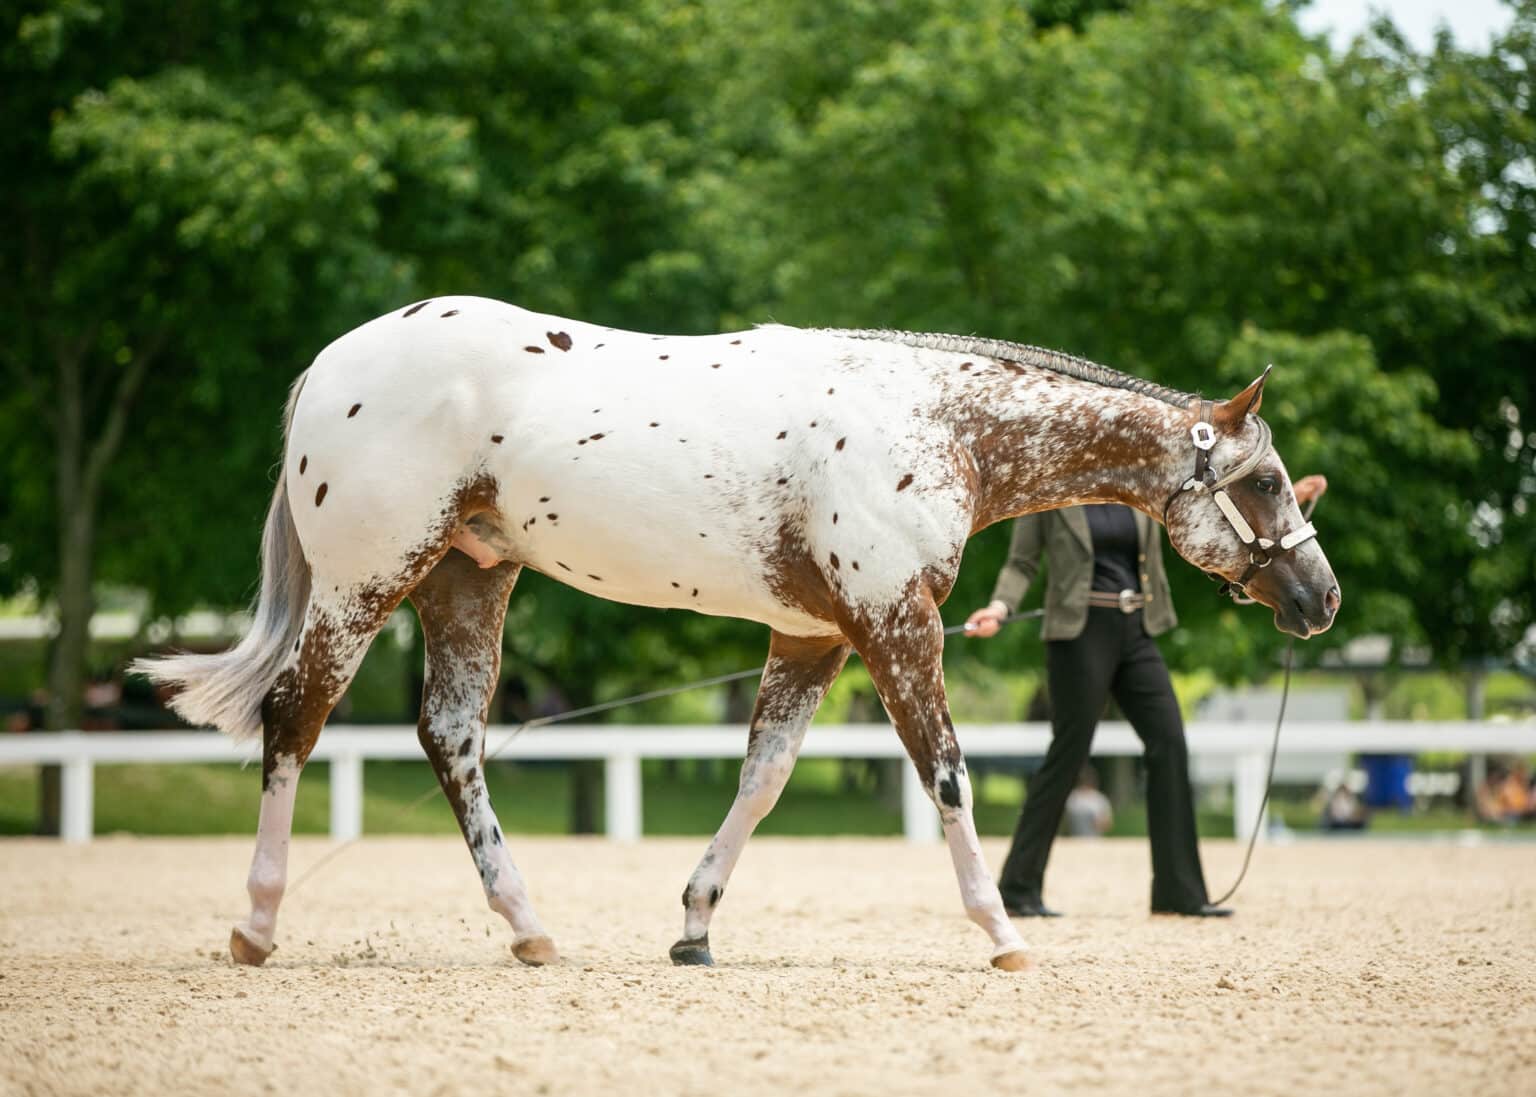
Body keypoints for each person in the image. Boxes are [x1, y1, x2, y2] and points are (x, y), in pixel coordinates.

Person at [964, 476, 1328, 918]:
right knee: (1069, 754)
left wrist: (1282, 503)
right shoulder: (1051, 489)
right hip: (1079, 633)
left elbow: (1202, 520)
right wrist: (999, 608)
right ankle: (1019, 888)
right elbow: (1021, 562)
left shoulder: (1136, 484)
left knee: (1169, 743)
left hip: (1137, 628)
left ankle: (1179, 892)